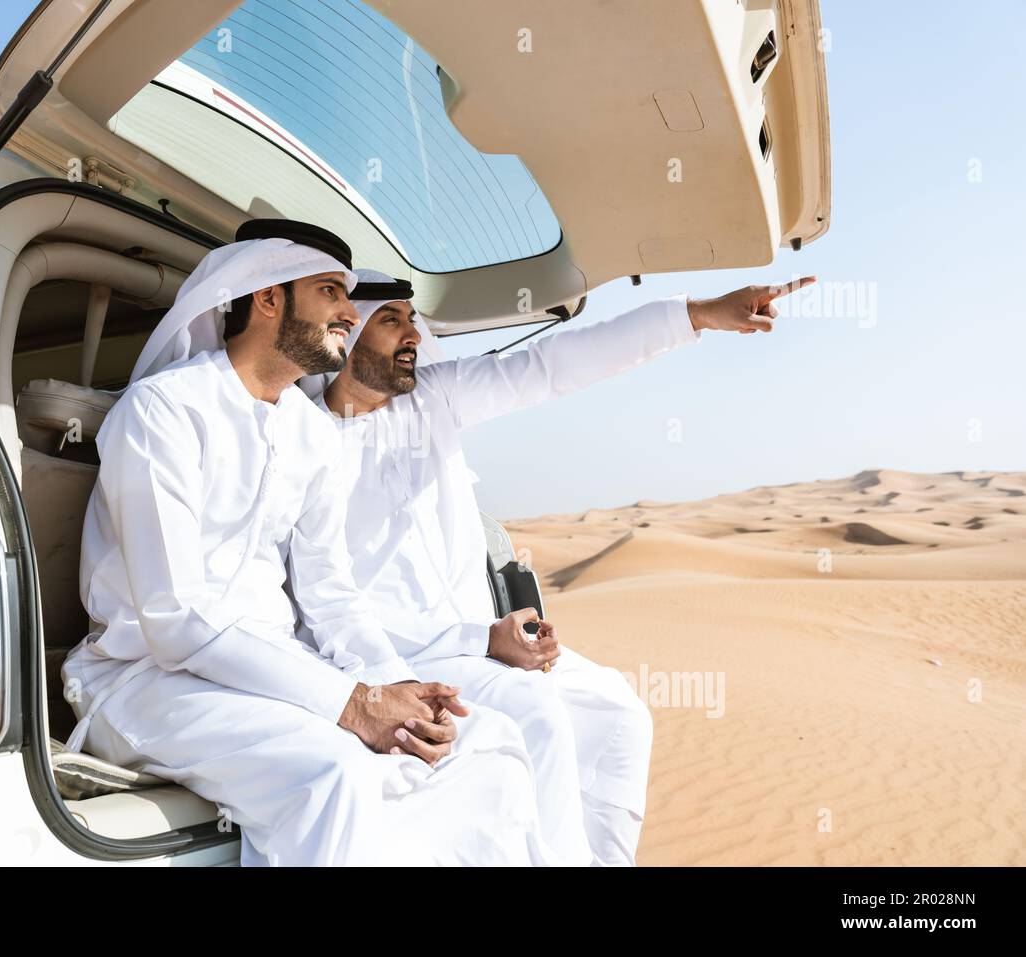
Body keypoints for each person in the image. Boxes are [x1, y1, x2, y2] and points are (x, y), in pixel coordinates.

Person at [61, 222, 562, 866]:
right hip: (144, 680)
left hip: (275, 668)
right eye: (330, 291)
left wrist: (393, 687)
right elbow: (176, 620)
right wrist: (353, 704)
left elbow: (332, 596)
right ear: (268, 298)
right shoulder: (163, 411)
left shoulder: (310, 432)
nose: (349, 314)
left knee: (483, 741)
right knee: (333, 774)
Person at [308, 269, 816, 864]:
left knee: (620, 712)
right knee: (540, 717)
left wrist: (694, 315)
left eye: (412, 319)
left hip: (485, 642)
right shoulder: (306, 438)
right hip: (407, 656)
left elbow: (553, 366)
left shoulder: (435, 398)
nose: (411, 334)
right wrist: (481, 639)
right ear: (347, 337)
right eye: (390, 321)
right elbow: (332, 601)